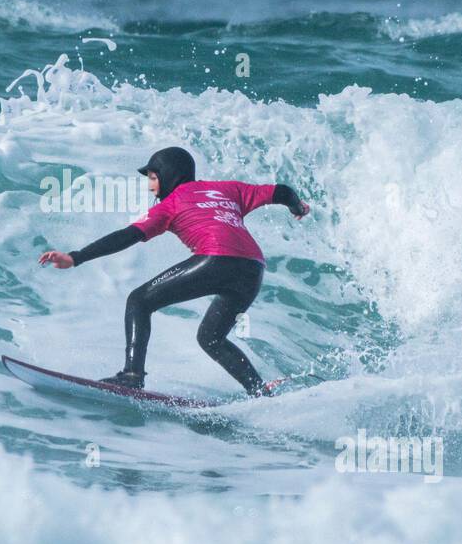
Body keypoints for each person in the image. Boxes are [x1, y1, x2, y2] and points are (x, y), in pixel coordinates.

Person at [39, 146, 310, 395]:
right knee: (211, 339)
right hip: (253, 268)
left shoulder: (171, 204)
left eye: (153, 178)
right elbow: (282, 192)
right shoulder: (228, 189)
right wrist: (298, 208)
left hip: (217, 258)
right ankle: (259, 392)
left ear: (169, 176)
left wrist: (75, 257)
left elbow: (127, 236)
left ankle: (132, 375)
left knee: (139, 301)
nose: (150, 187)